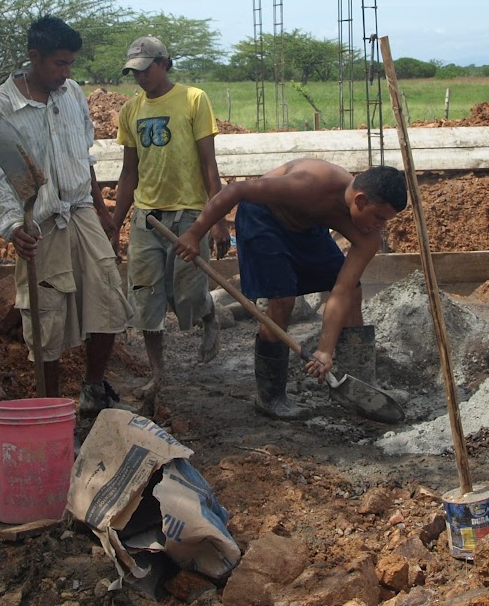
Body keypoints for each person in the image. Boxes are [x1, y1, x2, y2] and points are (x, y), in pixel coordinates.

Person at [0, 16, 129, 415]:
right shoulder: (0, 106)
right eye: (59, 64)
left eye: (70, 65)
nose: (66, 73)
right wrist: (12, 227)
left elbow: (84, 155)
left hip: (80, 211)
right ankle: (53, 409)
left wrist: (100, 206)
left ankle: (93, 389)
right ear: (34, 58)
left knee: (108, 297)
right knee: (47, 320)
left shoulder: (72, 94)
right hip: (39, 224)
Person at [173, 160, 407, 419]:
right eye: (379, 218)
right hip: (263, 218)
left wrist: (324, 350)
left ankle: (359, 386)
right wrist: (194, 234)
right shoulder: (311, 183)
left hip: (307, 227)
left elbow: (341, 290)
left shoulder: (367, 234)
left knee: (353, 293)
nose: (381, 227)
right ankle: (270, 396)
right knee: (282, 299)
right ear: (360, 201)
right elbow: (236, 191)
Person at [110, 36, 227, 407]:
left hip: (189, 214)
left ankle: (210, 313)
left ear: (164, 63)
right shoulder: (131, 111)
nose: (140, 77)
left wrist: (219, 220)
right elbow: (129, 173)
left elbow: (209, 165)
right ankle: (158, 373)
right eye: (134, 71)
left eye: (145, 69)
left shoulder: (193, 99)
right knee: (145, 300)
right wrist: (115, 222)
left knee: (187, 297)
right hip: (146, 217)